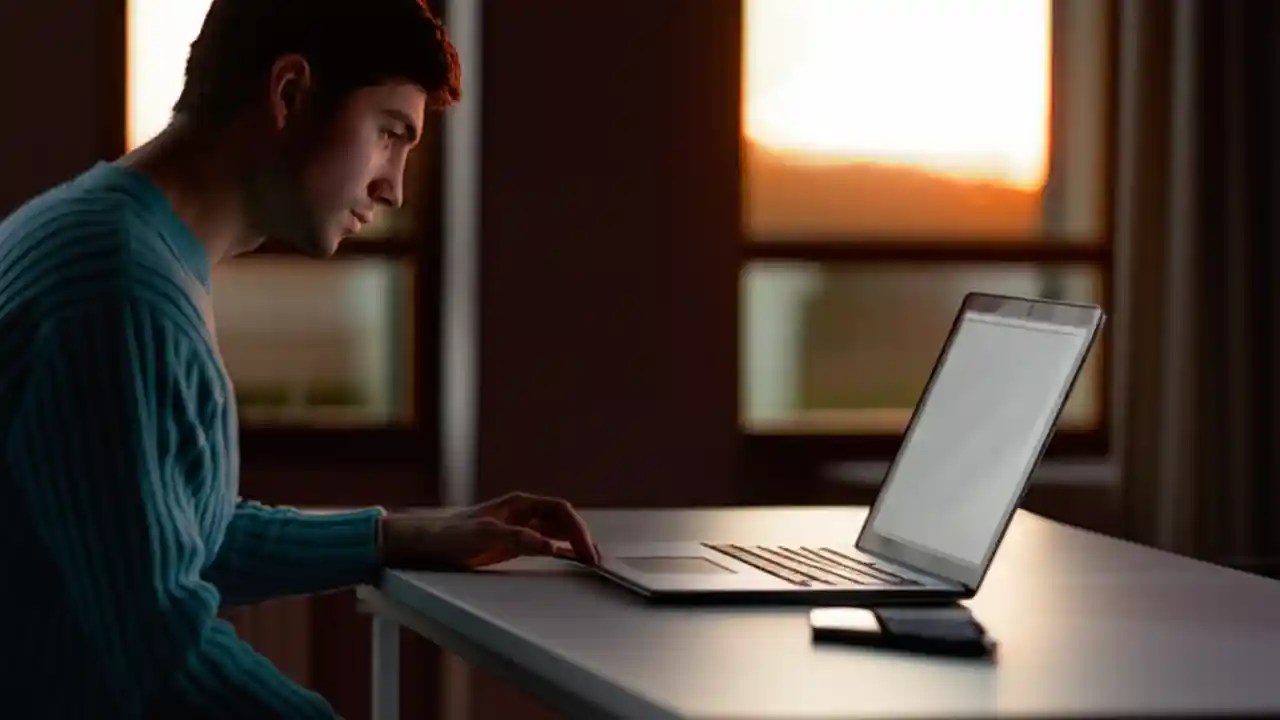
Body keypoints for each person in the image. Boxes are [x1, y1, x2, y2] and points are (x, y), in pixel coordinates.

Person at [0, 0, 598, 717]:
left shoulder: (109, 236)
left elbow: (176, 533)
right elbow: (161, 657)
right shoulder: (119, 291)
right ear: (289, 94)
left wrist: (398, 536)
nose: (393, 187)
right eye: (389, 134)